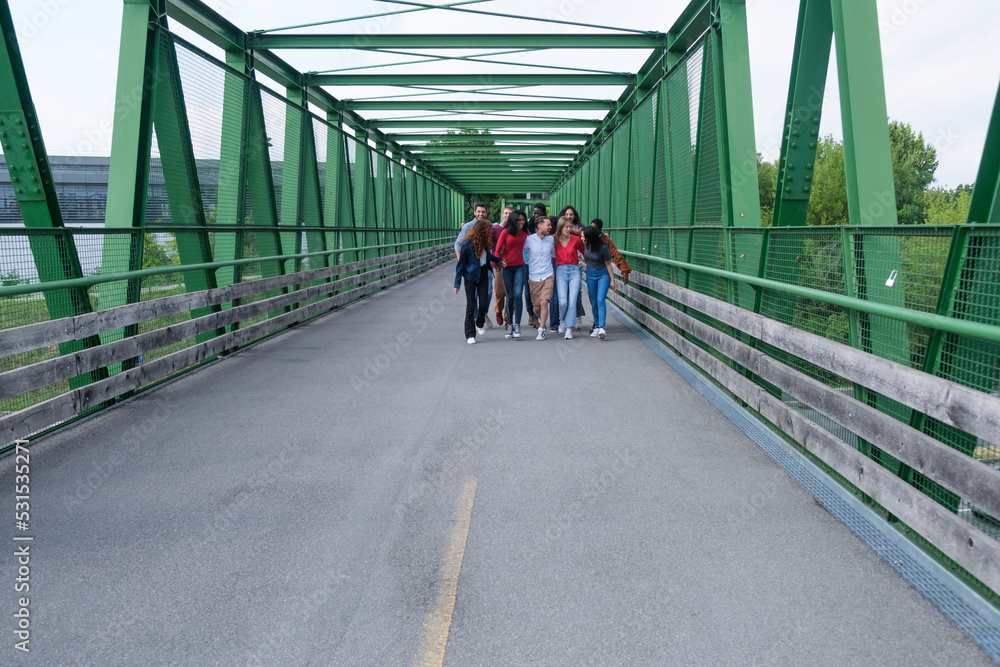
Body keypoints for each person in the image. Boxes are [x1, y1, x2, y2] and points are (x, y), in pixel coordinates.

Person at [454, 218, 504, 344]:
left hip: (482, 274)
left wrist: (498, 260)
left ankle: (480, 322)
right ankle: (470, 334)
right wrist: (457, 284)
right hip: (470, 276)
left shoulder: (486, 243)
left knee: (483, 304)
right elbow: (460, 264)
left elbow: (488, 256)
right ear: (482, 231)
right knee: (471, 306)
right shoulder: (467, 244)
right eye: (488, 231)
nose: (491, 233)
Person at [455, 203, 493, 327]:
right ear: (475, 212)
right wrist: (462, 260)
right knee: (473, 297)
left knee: (488, 293)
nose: (481, 214)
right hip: (471, 268)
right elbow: (458, 244)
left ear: (486, 213)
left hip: (484, 267)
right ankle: (477, 319)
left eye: (483, 212)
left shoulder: (487, 226)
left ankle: (482, 313)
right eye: (479, 211)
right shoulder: (468, 226)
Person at [495, 209, 530, 339]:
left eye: (523, 220)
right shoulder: (505, 232)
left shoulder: (525, 233)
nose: (521, 222)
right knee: (509, 296)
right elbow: (497, 250)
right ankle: (510, 325)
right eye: (519, 220)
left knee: (518, 295)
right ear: (513, 220)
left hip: (520, 267)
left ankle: (517, 325)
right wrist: (499, 262)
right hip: (507, 268)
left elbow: (535, 242)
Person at [553, 215, 586, 339]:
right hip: (561, 271)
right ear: (560, 227)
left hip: (574, 270)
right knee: (563, 302)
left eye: (570, 227)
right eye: (566, 227)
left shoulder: (575, 240)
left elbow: (585, 252)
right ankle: (562, 320)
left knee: (572, 301)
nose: (568, 229)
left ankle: (569, 329)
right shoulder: (555, 240)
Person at [523, 215, 555, 341]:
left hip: (548, 275)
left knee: (544, 302)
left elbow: (555, 254)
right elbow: (518, 248)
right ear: (539, 226)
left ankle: (541, 330)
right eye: (548, 225)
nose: (550, 227)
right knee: (536, 307)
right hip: (534, 277)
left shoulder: (551, 240)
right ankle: (541, 318)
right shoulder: (529, 239)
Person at [583, 226, 616, 340]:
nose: (581, 238)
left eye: (583, 236)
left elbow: (608, 264)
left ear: (590, 237)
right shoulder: (585, 244)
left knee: (600, 300)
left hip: (603, 274)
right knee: (594, 301)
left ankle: (602, 327)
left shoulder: (603, 247)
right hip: (590, 273)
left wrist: (613, 280)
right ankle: (596, 326)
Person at [559, 204, 587, 328]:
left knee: (577, 292)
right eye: (567, 214)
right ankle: (563, 319)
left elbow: (584, 245)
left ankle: (577, 316)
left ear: (574, 216)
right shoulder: (560, 230)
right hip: (563, 266)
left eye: (571, 214)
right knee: (564, 296)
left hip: (577, 264)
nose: (569, 216)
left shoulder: (579, 228)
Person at [590, 218, 632, 286]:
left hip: (602, 270)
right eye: (591, 228)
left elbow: (615, 254)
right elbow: (577, 234)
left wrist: (625, 271)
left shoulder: (606, 240)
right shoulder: (587, 236)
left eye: (594, 229)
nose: (592, 231)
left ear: (600, 229)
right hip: (591, 271)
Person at [493, 205, 513, 327]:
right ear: (502, 214)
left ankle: (508, 318)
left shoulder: (514, 230)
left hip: (512, 264)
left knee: (511, 294)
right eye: (506, 213)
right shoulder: (495, 229)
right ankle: (498, 310)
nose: (507, 216)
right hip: (499, 265)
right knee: (500, 292)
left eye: (510, 214)